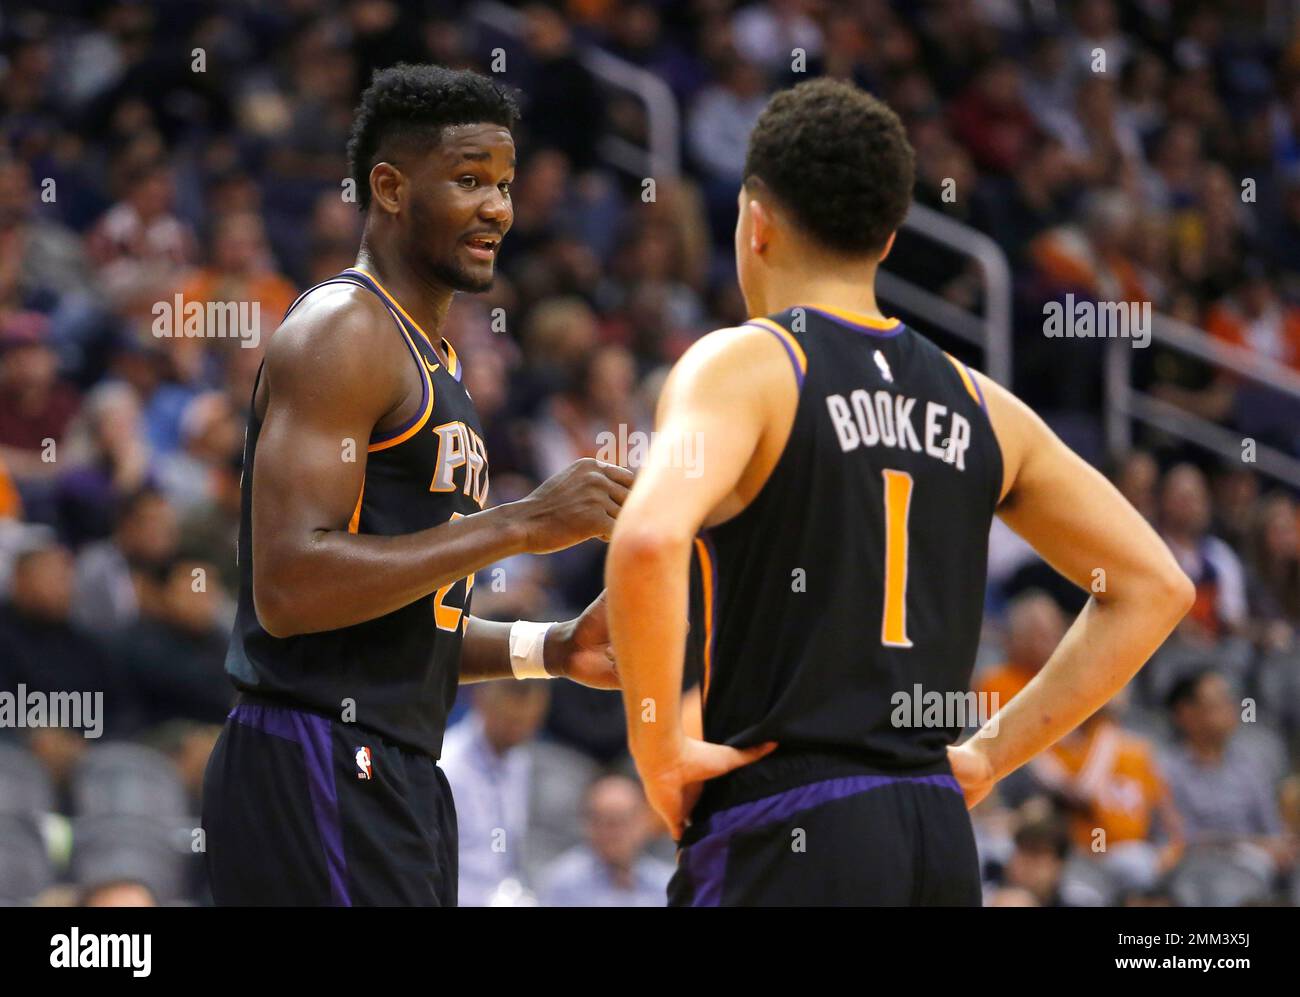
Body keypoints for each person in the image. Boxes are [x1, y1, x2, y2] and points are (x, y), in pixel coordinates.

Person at [605, 78, 1194, 906]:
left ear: (753, 219)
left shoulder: (744, 363)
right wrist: (990, 753)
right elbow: (1154, 585)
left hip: (787, 818)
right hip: (935, 832)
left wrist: (659, 748)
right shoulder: (983, 401)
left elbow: (647, 540)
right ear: (887, 240)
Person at [202, 64, 632, 907]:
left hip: (391, 761)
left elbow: (402, 621)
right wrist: (521, 523)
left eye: (504, 185)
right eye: (469, 179)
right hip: (317, 752)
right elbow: (291, 587)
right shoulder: (344, 331)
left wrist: (549, 649)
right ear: (390, 187)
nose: (498, 208)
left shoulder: (435, 361)